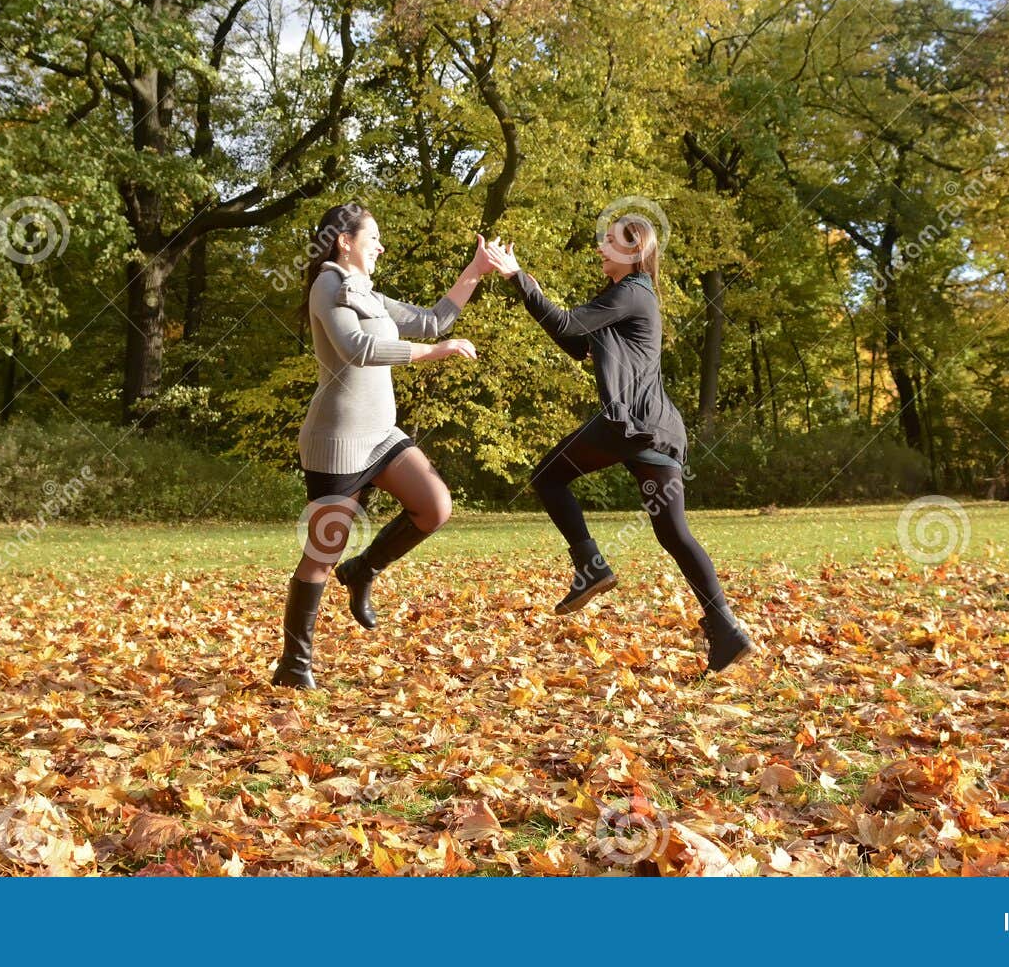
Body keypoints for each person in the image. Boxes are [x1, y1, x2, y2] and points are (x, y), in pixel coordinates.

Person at [482, 217, 753, 672]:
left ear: (635, 250)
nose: (601, 248)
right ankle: (726, 630)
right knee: (673, 532)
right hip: (658, 428)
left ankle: (591, 567)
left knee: (548, 478)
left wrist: (516, 276)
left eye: (610, 242)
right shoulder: (627, 297)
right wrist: (523, 286)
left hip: (634, 425)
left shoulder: (631, 292)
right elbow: (572, 338)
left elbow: (567, 321)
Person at [273, 201, 488, 689]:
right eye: (374, 238)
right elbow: (358, 349)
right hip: (338, 442)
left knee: (434, 506)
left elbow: (433, 320)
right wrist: (434, 354)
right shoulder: (328, 286)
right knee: (320, 554)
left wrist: (475, 271)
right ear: (345, 241)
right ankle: (294, 665)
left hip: (382, 436)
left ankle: (364, 570)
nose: (381, 246)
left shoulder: (367, 292)